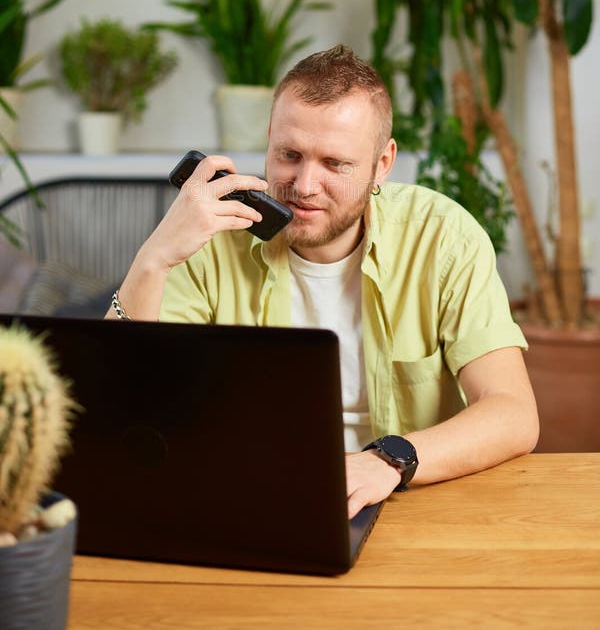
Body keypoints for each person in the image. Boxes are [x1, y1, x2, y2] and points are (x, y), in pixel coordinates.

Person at [106, 45, 539, 518]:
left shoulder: (442, 237)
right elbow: (121, 404)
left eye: (336, 164)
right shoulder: (208, 234)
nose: (306, 185)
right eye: (289, 154)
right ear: (269, 138)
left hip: (407, 500)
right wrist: (154, 258)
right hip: (249, 497)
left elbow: (513, 413)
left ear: (383, 163)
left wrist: (387, 462)